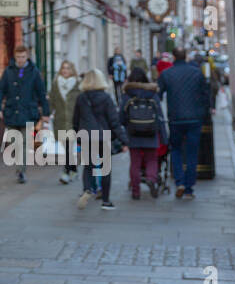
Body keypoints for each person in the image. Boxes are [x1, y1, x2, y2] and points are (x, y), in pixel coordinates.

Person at [158, 47, 211, 199]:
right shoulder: (196, 72)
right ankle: (189, 188)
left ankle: (179, 181)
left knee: (175, 150)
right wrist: (204, 111)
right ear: (186, 56)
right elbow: (205, 95)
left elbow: (158, 95)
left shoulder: (167, 74)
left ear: (173, 57)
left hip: (175, 119)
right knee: (192, 153)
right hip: (194, 118)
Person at [73, 69, 128, 210]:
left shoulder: (81, 98)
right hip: (103, 136)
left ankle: (87, 189)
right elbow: (114, 121)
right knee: (105, 169)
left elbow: (75, 120)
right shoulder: (106, 98)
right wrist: (124, 140)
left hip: (86, 136)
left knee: (88, 166)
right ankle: (105, 200)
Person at [0, 44, 50, 184]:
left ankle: (21, 171)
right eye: (18, 57)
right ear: (15, 56)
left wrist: (45, 113)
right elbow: (0, 91)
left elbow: (41, 93)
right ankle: (20, 168)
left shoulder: (34, 72)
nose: (20, 59)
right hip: (12, 113)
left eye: (23, 57)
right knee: (15, 143)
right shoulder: (8, 72)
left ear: (27, 57)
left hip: (29, 113)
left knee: (25, 143)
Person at [120, 67, 167, 199]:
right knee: (152, 159)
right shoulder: (152, 94)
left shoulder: (127, 94)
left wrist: (124, 132)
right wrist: (164, 138)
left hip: (133, 132)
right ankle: (151, 178)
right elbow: (160, 117)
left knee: (135, 162)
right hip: (151, 132)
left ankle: (136, 191)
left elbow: (121, 117)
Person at [48, 60, 82, 184]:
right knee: (66, 147)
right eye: (63, 68)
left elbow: (81, 104)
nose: (65, 70)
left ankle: (65, 173)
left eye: (68, 68)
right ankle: (73, 169)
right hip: (60, 121)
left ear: (72, 70)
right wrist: (46, 115)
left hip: (74, 122)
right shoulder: (56, 84)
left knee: (68, 147)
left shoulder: (78, 85)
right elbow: (51, 101)